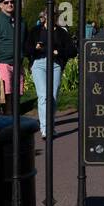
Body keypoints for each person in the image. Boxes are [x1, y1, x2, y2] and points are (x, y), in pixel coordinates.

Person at [27, 8, 75, 138]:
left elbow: (72, 51)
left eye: (54, 15)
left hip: (55, 65)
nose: (51, 17)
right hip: (39, 64)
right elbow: (27, 49)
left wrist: (58, 52)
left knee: (52, 96)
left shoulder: (61, 32)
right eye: (49, 14)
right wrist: (36, 49)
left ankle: (50, 126)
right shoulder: (35, 30)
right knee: (43, 96)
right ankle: (45, 128)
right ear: (45, 15)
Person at [0, 0, 20, 112]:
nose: (10, 4)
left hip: (18, 62)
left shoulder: (20, 21)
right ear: (0, 5)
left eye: (12, 2)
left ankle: (15, 120)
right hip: (3, 62)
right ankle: (8, 119)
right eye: (6, 2)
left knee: (17, 93)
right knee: (6, 93)